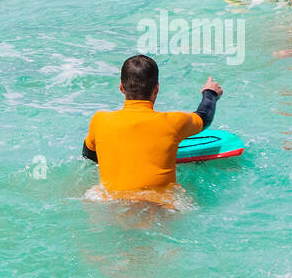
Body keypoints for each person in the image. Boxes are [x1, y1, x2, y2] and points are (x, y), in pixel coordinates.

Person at [82, 55, 223, 198]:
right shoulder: (174, 122)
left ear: (121, 88)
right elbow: (204, 117)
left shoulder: (99, 120)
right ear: (156, 89)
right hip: (158, 208)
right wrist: (210, 93)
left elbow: (89, 156)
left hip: (110, 206)